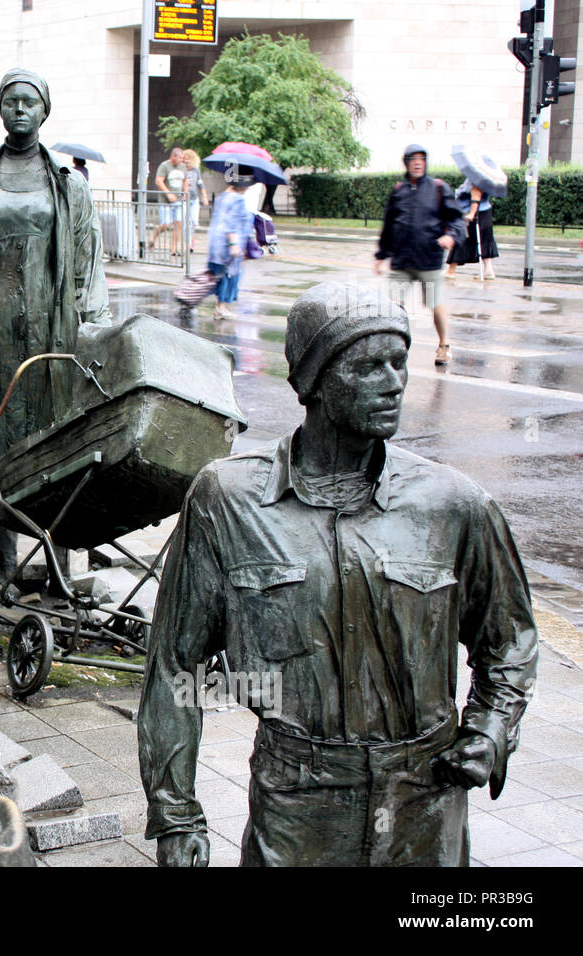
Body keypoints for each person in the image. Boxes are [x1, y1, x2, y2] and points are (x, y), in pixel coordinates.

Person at [138, 282, 537, 867]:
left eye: (400, 362)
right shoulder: (227, 500)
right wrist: (176, 816)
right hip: (297, 805)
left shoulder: (455, 505)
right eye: (369, 366)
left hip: (425, 806)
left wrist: (490, 730)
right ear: (316, 383)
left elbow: (510, 643)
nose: (395, 381)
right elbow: (179, 667)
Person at [0, 68, 112, 598]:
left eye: (29, 102)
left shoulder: (69, 181)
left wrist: (93, 328)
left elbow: (89, 260)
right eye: (11, 102)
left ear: (45, 111)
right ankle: (6, 565)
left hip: (54, 330)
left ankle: (61, 562)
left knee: (61, 446)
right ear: (0, 110)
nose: (20, 110)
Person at [375, 144, 466, 365]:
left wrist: (452, 237)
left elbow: (456, 218)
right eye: (413, 159)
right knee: (393, 306)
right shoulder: (399, 191)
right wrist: (381, 255)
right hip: (401, 260)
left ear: (425, 163)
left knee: (434, 303)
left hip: (429, 258)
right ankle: (392, 348)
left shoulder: (438, 188)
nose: (418, 163)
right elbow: (389, 225)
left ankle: (444, 345)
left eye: (421, 159)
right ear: (406, 162)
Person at [203, 167, 255, 319]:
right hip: (227, 245)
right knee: (228, 275)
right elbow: (231, 223)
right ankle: (221, 308)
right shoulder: (237, 200)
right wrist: (234, 245)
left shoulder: (223, 196)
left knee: (220, 274)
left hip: (216, 244)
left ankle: (220, 307)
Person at [445, 179, 497, 281]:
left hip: (474, 213)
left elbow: (476, 196)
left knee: (461, 239)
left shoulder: (475, 179)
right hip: (484, 211)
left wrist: (471, 214)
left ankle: (451, 270)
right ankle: (488, 270)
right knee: (484, 240)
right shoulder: (486, 178)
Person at [149, 146, 186, 255]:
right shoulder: (164, 166)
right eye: (180, 158)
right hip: (166, 201)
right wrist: (168, 193)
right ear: (173, 156)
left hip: (179, 199)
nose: (182, 160)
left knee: (178, 223)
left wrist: (185, 192)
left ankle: (173, 249)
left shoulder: (182, 167)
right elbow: (159, 181)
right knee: (166, 224)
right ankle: (153, 236)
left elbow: (185, 180)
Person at [181, 148, 209, 254]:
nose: (186, 161)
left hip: (194, 198)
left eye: (188, 159)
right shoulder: (182, 169)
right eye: (185, 159)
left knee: (194, 221)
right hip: (184, 199)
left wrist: (205, 197)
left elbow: (200, 184)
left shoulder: (195, 170)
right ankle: (188, 244)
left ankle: (191, 238)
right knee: (186, 222)